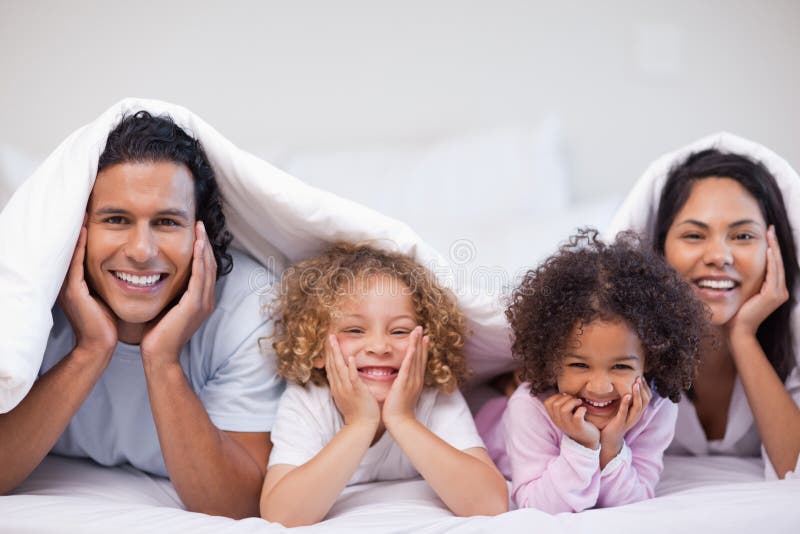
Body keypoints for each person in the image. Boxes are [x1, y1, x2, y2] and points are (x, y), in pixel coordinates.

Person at [0, 111, 284, 518]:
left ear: (200, 236)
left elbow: (235, 504)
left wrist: (162, 359)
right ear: (77, 228)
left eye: (167, 222)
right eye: (116, 220)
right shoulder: (28, 300)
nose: (141, 250)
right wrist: (92, 349)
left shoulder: (246, 308)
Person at [259, 242, 508, 527]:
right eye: (354, 330)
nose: (379, 346)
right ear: (316, 349)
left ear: (428, 345)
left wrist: (401, 418)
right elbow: (281, 515)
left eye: (400, 331)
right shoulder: (308, 400)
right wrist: (359, 424)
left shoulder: (434, 395)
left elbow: (491, 504)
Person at [475, 230, 705, 513]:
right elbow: (538, 506)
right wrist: (581, 445)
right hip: (489, 424)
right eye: (579, 365)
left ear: (652, 362)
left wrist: (611, 447)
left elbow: (635, 500)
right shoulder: (529, 408)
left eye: (621, 366)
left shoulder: (658, 407)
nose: (599, 387)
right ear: (551, 359)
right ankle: (505, 382)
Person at [652, 148, 800, 478]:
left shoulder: (795, 332)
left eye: (743, 236)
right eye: (693, 235)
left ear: (773, 248)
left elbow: (794, 469)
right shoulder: (622, 334)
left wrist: (743, 335)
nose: (720, 255)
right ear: (660, 250)